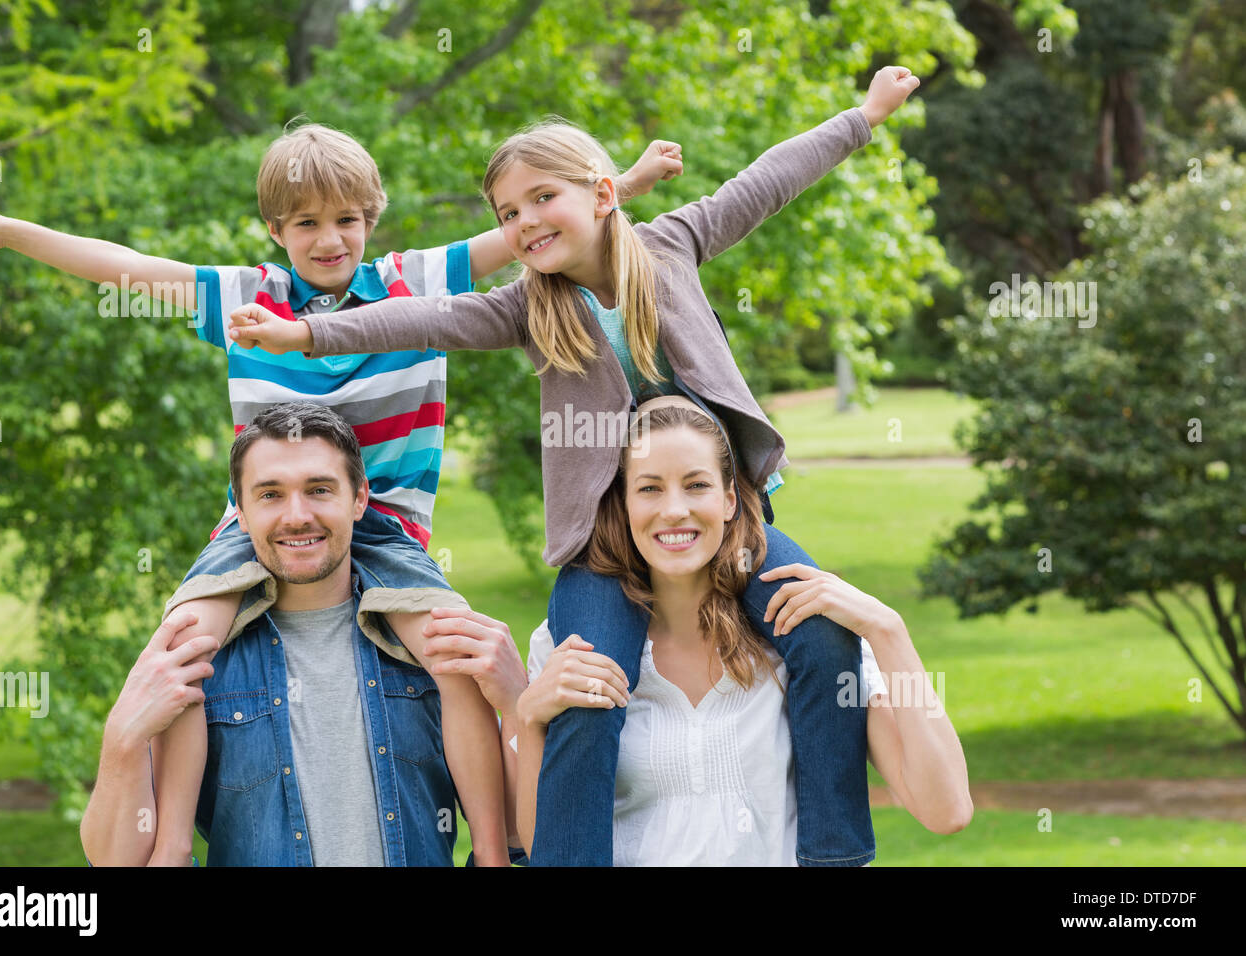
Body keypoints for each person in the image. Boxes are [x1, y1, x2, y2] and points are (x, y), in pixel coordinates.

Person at [222, 65, 921, 865]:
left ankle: (834, 852)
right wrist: (304, 336)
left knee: (822, 634)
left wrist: (863, 116)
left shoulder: (674, 244)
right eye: (507, 213)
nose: (523, 222)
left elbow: (766, 181)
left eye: (539, 200)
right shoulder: (527, 307)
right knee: (588, 688)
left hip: (724, 522)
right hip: (604, 546)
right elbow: (422, 316)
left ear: (601, 192)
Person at [0, 124, 681, 866]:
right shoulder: (243, 298)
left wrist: (628, 180)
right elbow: (127, 269)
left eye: (347, 221)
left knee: (454, 659)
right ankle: (169, 846)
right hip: (256, 526)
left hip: (387, 532)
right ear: (276, 229)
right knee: (184, 649)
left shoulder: (417, 281)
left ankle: (492, 849)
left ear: (371, 220)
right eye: (306, 223)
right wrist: (9, 231)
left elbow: (538, 228)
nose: (330, 240)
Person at [513, 397, 972, 864]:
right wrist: (530, 721)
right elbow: (543, 846)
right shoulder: (566, 646)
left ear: (729, 499)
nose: (674, 510)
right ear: (624, 503)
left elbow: (947, 809)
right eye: (650, 489)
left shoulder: (801, 638)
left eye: (696, 486)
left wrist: (887, 630)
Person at [79, 402, 530, 866]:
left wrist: (518, 708)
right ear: (241, 511)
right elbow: (119, 861)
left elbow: (518, 836)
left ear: (358, 500)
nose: (297, 516)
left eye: (318, 490)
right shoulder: (198, 660)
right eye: (270, 495)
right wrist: (121, 738)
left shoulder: (429, 644)